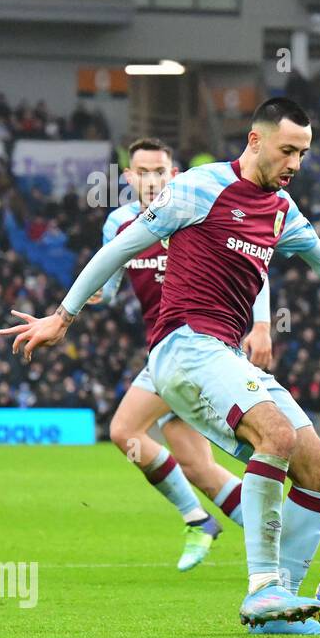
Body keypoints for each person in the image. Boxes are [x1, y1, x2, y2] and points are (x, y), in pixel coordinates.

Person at [1, 98, 320, 634]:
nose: (295, 164)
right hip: (183, 346)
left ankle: (281, 606)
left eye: (303, 153)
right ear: (255, 141)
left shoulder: (281, 208)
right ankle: (261, 588)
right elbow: (119, 248)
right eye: (287, 151)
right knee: (271, 435)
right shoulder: (197, 188)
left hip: (223, 352)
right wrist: (62, 317)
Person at [90, 138, 274, 571]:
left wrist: (262, 324)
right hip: (165, 351)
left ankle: (197, 520)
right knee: (198, 468)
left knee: (124, 431)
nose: (152, 180)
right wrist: (84, 301)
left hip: (195, 346)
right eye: (143, 171)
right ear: (129, 177)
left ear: (174, 174)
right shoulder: (119, 223)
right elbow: (109, 286)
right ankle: (271, 540)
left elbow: (254, 260)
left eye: (160, 171)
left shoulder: (195, 210)